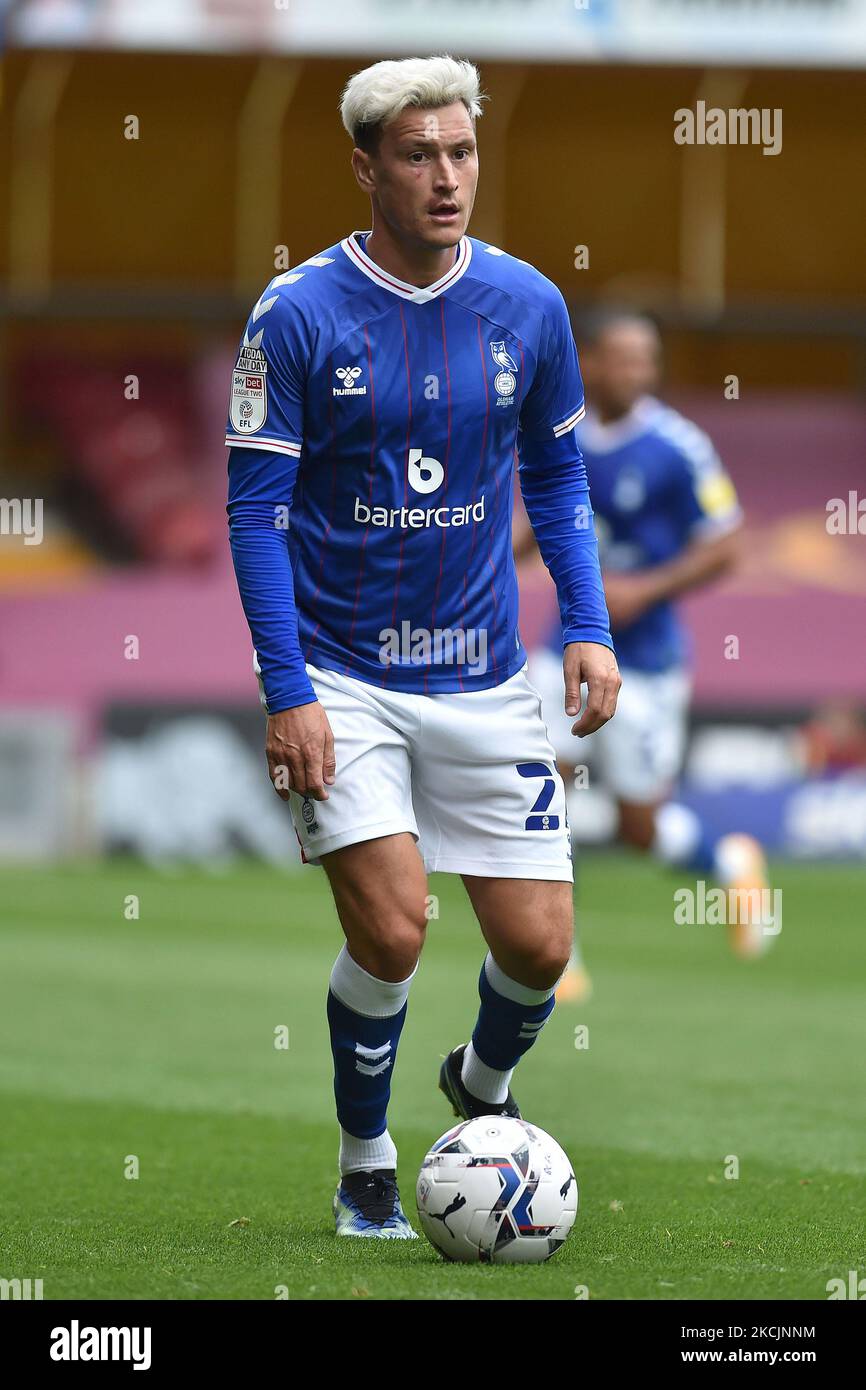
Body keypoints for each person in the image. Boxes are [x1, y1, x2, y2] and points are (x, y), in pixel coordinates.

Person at [225, 56, 620, 1238]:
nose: (446, 178)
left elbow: (554, 473)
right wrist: (285, 690)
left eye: (460, 152)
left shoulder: (528, 305)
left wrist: (587, 625)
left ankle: (480, 1093)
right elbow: (254, 510)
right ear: (363, 168)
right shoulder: (294, 314)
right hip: (343, 675)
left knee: (539, 949)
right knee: (394, 927)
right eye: (416, 155)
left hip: (484, 673)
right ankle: (364, 1162)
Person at [515, 310, 774, 1001]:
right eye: (622, 359)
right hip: (563, 647)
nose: (636, 373)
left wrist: (645, 590)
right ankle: (550, 950)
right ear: (590, 361)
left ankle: (728, 862)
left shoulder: (676, 446)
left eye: (646, 361)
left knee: (639, 829)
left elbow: (727, 542)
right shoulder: (558, 429)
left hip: (647, 664)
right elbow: (535, 520)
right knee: (540, 787)